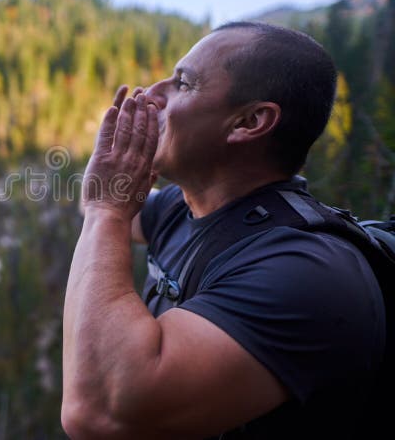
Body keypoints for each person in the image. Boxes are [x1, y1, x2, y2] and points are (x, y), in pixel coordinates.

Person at [61, 22, 385, 439]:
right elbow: (97, 210)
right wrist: (109, 192)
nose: (152, 94)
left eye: (183, 83)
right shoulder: (181, 206)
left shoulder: (305, 271)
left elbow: (100, 411)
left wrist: (107, 210)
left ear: (248, 121)